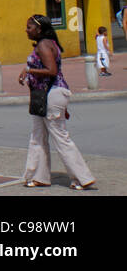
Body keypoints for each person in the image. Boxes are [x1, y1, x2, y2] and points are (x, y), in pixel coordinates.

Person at [20, 15, 95, 190]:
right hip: (46, 96)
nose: (26, 30)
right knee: (37, 137)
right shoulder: (49, 43)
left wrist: (28, 70)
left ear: (39, 29)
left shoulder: (44, 45)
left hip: (51, 95)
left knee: (60, 138)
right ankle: (38, 176)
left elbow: (52, 71)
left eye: (29, 27)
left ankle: (82, 177)